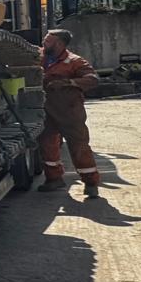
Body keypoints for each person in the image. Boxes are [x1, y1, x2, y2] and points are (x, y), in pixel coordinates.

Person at [38, 29, 101, 196]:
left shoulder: (74, 61)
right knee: (47, 143)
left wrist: (69, 82)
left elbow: (92, 79)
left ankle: (91, 183)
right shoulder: (40, 57)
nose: (44, 43)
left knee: (79, 146)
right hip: (47, 109)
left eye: (48, 41)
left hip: (70, 111)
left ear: (59, 43)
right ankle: (54, 179)